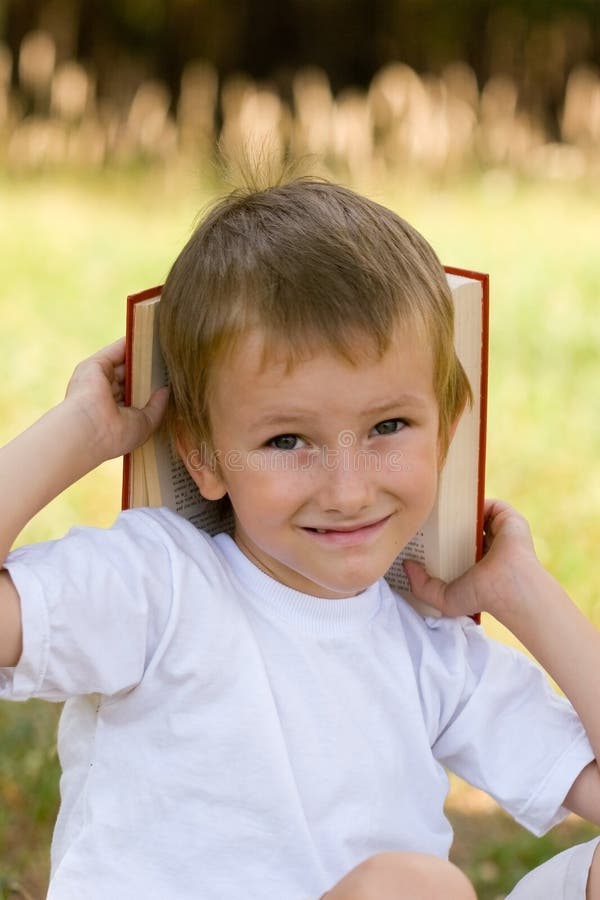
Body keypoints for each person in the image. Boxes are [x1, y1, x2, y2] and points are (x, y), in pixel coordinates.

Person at [0, 176, 599, 900]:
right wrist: (80, 433)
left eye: (387, 427)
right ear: (203, 456)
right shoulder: (159, 586)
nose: (347, 490)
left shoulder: (429, 650)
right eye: (289, 439)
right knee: (410, 890)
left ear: (445, 432)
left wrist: (523, 592)